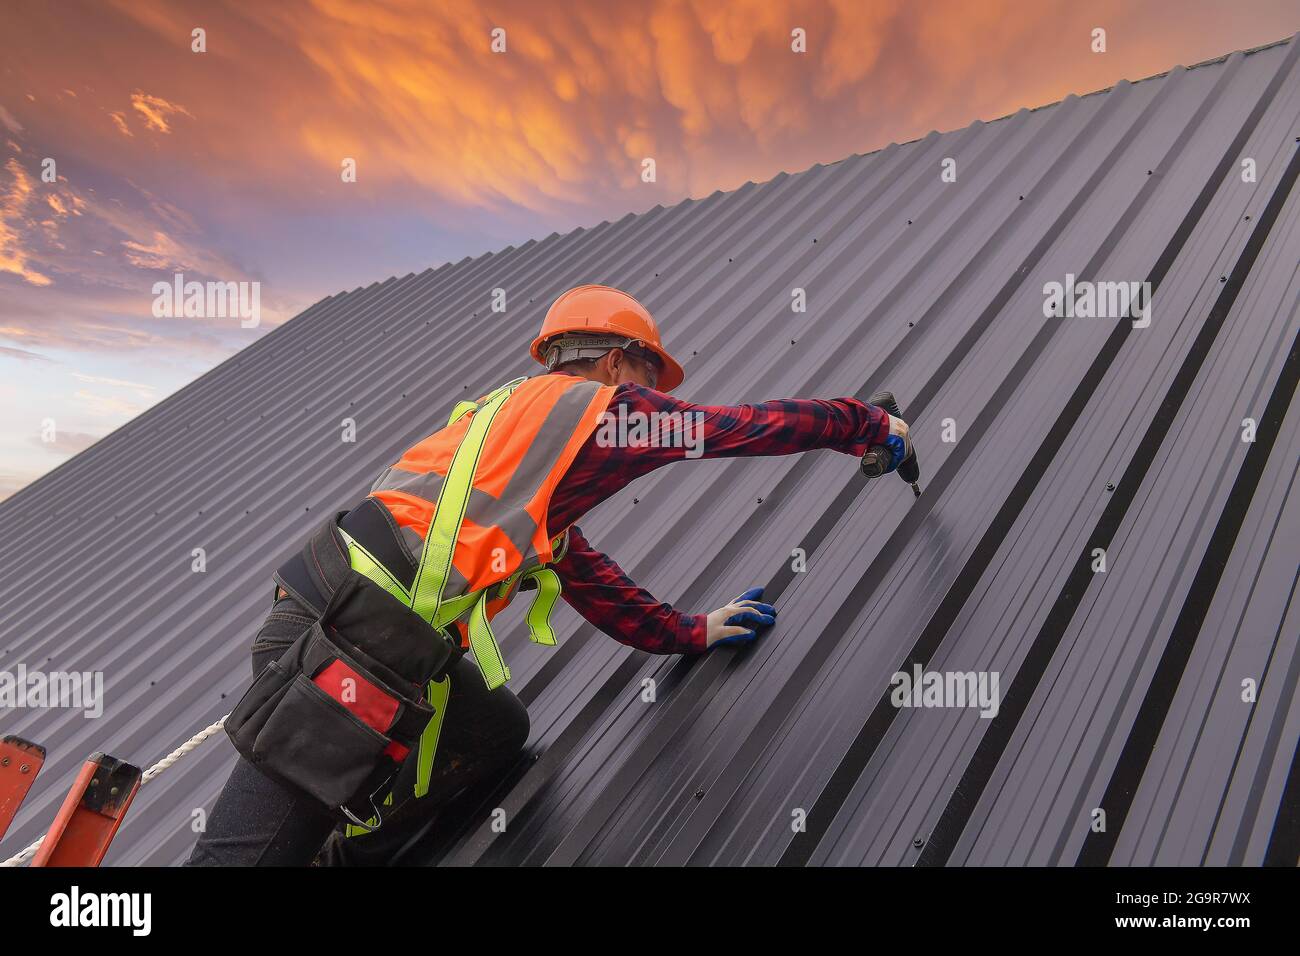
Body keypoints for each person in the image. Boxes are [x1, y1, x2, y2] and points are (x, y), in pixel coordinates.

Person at [187, 283, 912, 866]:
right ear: (615, 362)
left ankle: (332, 845)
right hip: (338, 657)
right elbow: (738, 427)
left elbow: (588, 579)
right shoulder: (603, 414)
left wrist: (691, 631)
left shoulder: (517, 444)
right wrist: (867, 426)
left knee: (493, 729)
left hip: (355, 639)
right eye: (649, 377)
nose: (653, 397)